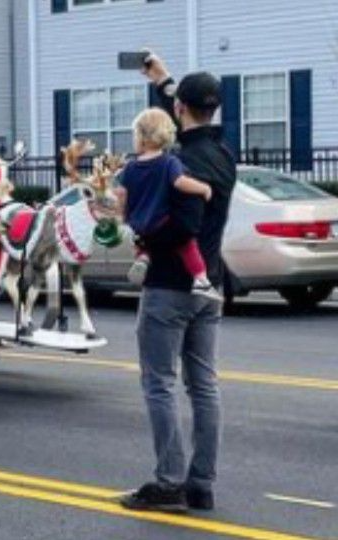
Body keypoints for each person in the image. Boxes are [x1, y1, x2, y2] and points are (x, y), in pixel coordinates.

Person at [119, 51, 237, 513]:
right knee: (204, 385)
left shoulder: (181, 162)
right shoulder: (223, 153)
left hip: (171, 285)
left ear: (181, 111)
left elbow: (183, 225)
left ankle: (170, 480)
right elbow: (189, 115)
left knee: (160, 383)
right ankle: (201, 483)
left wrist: (144, 235)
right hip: (210, 284)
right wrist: (164, 80)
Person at [118, 108, 222, 303]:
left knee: (144, 245)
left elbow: (122, 194)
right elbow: (180, 182)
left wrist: (124, 217)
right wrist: (204, 189)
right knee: (187, 245)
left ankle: (142, 258)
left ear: (140, 137)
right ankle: (201, 280)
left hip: (139, 226)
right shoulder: (168, 162)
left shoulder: (130, 167)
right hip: (161, 222)